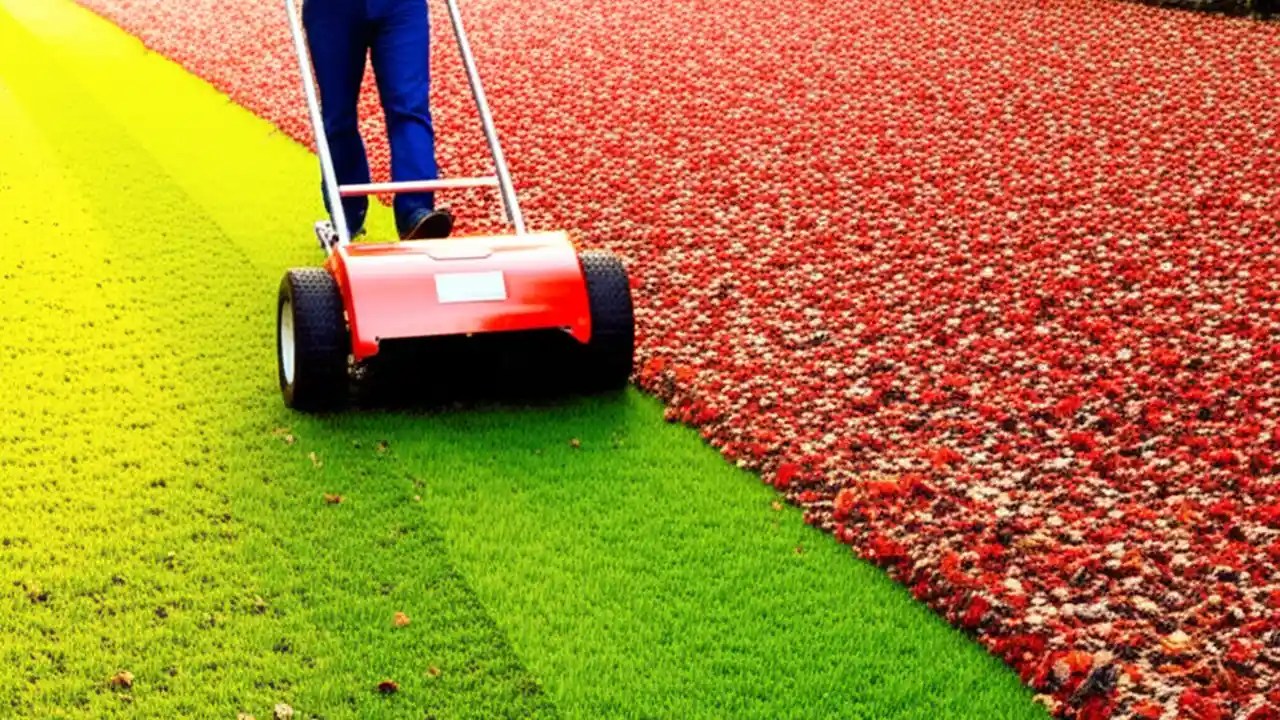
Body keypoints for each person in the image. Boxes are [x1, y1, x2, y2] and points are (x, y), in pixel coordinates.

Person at [303, 0, 454, 240]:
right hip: (332, 10)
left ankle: (415, 211)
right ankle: (347, 215)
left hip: (401, 8)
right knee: (338, 115)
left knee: (410, 108)